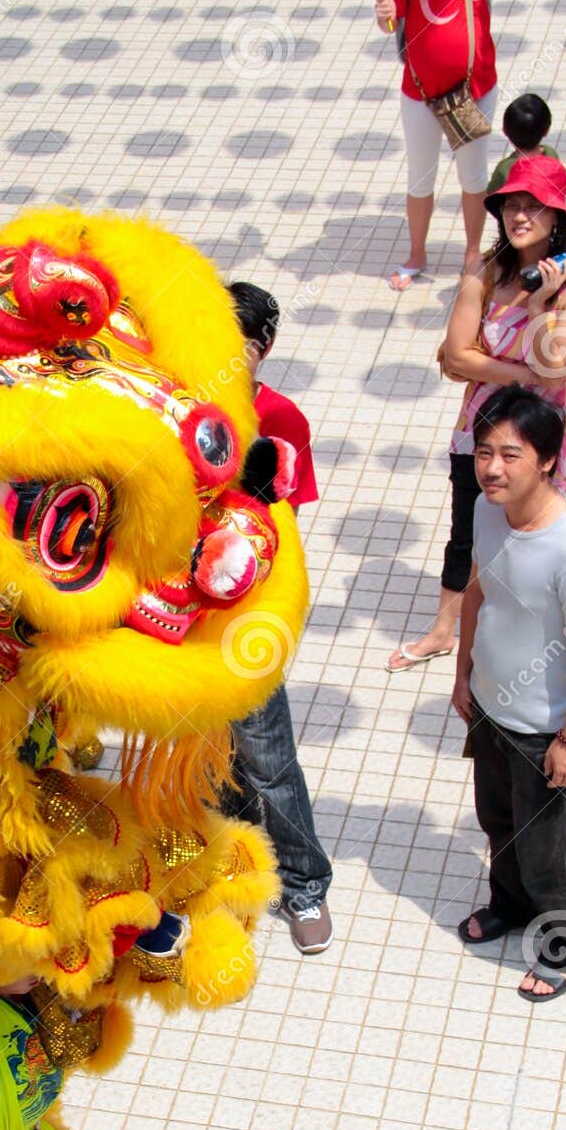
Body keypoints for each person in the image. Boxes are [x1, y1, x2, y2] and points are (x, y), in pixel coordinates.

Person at [387, 154, 566, 672]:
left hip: (537, 438)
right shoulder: (483, 268)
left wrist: (541, 304)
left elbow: (556, 364)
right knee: (467, 531)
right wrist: (524, 373)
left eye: (533, 207)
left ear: (557, 218)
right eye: (511, 207)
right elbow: (456, 356)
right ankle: (442, 630)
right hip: (476, 429)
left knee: (531, 535)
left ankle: (532, 633)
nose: (519, 217)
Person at [452, 386, 566, 1004]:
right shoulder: (488, 510)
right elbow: (477, 590)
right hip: (490, 705)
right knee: (497, 821)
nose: (492, 467)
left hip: (542, 728)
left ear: (547, 459)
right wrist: (463, 675)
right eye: (484, 451)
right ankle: (510, 906)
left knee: (546, 851)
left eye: (511, 454)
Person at [223, 281, 332, 955]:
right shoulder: (169, 409)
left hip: (248, 616)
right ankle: (228, 872)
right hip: (179, 621)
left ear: (265, 350)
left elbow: (287, 529)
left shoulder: (280, 417)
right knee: (201, 756)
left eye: (239, 345)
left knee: (268, 760)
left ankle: (305, 884)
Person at [375, 0, 521, 291]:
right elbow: (392, 22)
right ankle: (416, 255)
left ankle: (472, 253)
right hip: (418, 91)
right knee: (419, 177)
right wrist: (384, 16)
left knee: (473, 176)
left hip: (475, 89)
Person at [485, 92, 558, 194]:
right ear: (547, 130)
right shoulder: (551, 154)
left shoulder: (504, 169)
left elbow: (492, 196)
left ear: (505, 131)